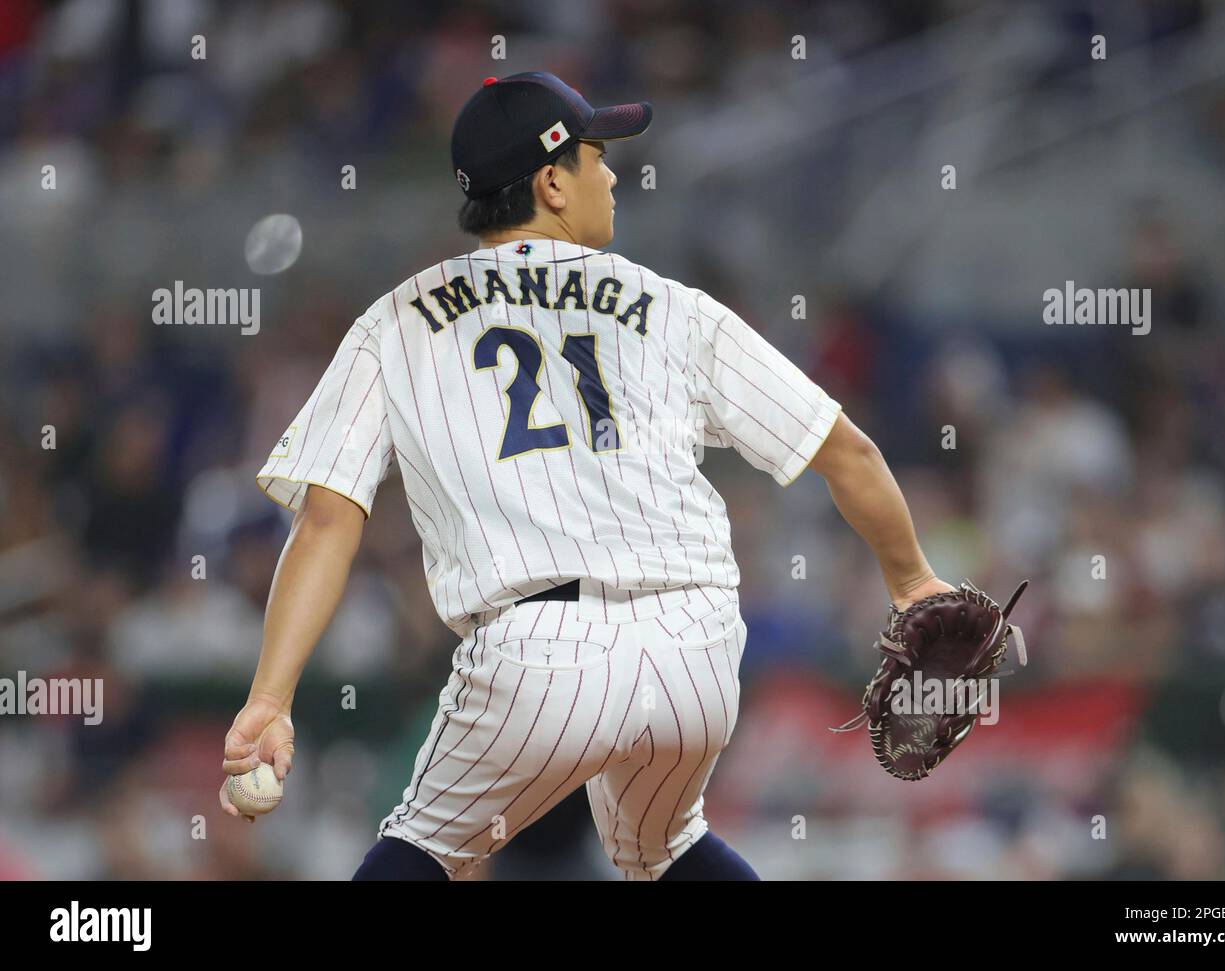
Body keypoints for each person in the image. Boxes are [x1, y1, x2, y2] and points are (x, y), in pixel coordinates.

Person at [218, 71, 953, 881]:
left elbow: (327, 519)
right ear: (551, 181)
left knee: (422, 848)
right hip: (697, 647)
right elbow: (847, 450)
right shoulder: (672, 305)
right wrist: (913, 580)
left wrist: (270, 696)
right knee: (666, 848)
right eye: (597, 157)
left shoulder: (396, 320)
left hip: (537, 652)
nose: (611, 175)